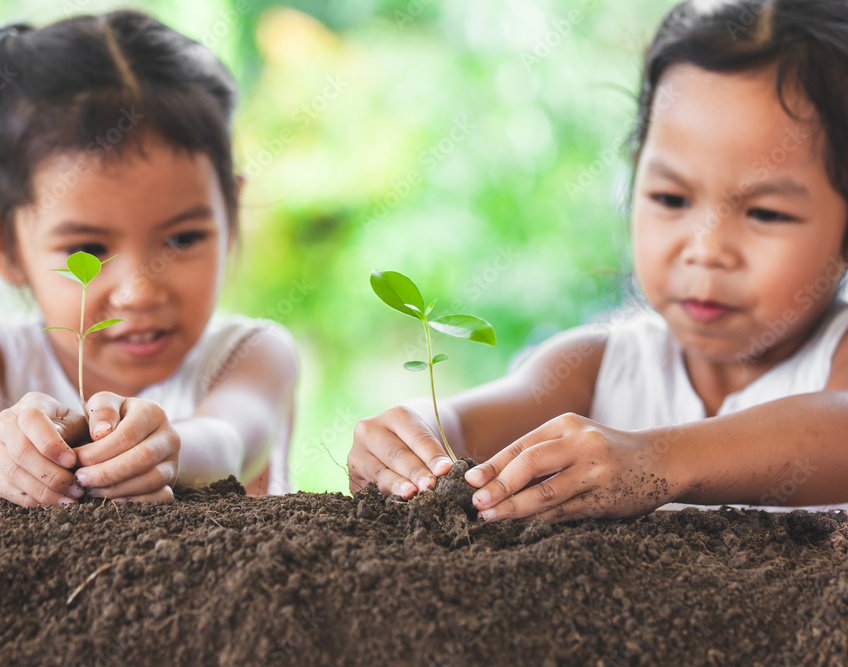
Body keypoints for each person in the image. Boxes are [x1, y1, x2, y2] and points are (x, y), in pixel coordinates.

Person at [348, 0, 848, 521]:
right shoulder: (593, 370)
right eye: (671, 199)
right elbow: (467, 425)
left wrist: (657, 462)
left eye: (766, 212)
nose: (705, 249)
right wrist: (413, 437)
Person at [0, 10, 298, 507]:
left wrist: (169, 451)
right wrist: (0, 450)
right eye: (87, 250)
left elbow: (229, 440)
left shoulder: (251, 356)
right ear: (3, 245)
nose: (140, 290)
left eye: (183, 238)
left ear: (230, 217)